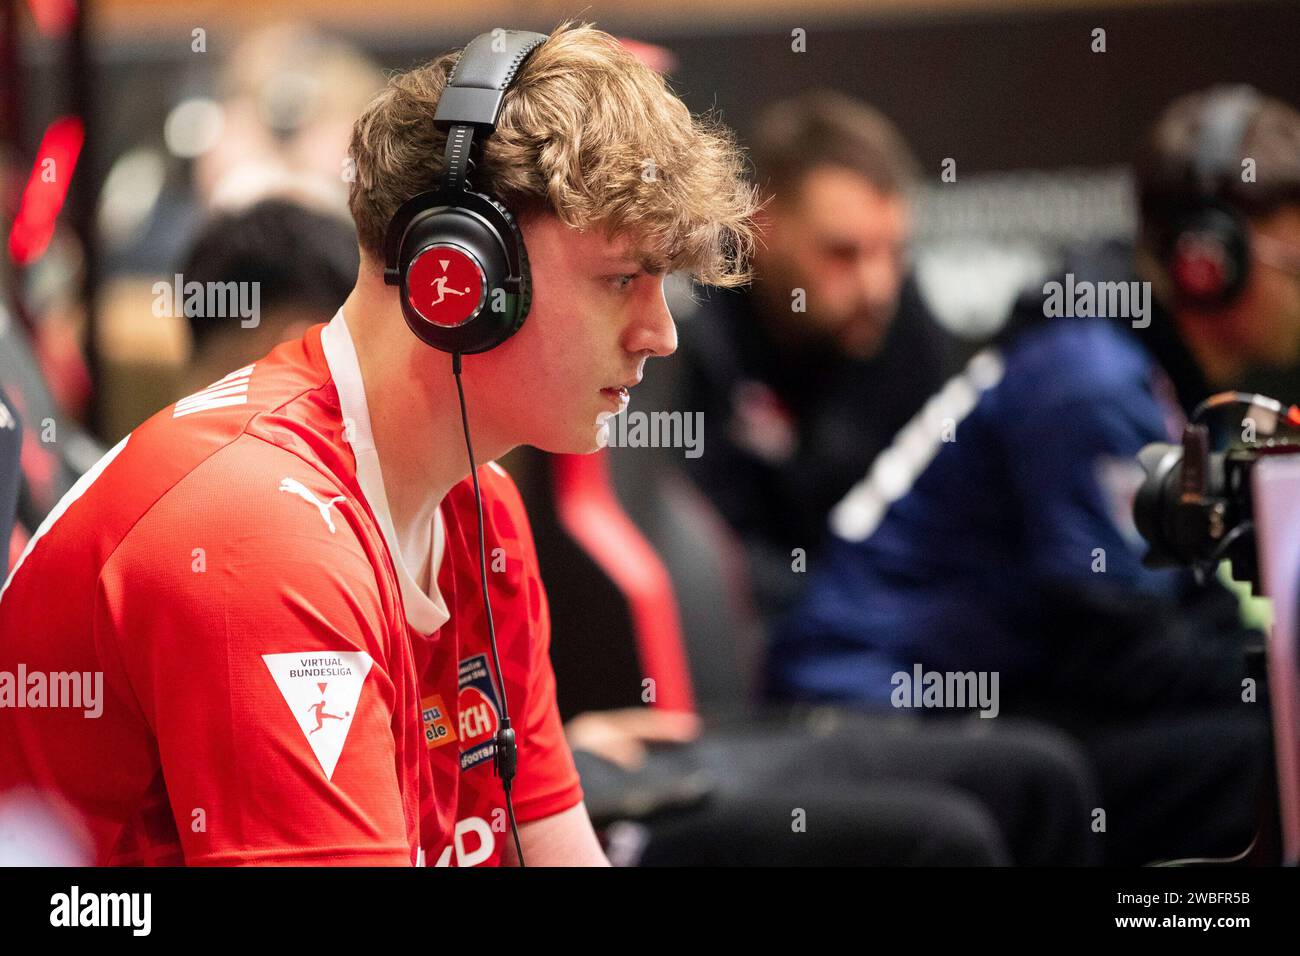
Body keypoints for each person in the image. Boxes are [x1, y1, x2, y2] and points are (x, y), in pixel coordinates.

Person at [0, 21, 758, 866]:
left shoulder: (481, 513)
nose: (661, 334)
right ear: (460, 276)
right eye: (622, 280)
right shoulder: (261, 538)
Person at [769, 85, 1300, 864]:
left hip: (994, 701)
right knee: (1266, 755)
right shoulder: (1088, 379)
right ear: (1203, 262)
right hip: (876, 709)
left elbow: (1170, 618)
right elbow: (1120, 649)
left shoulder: (1145, 368)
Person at [670, 89, 959, 621]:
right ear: (763, 227)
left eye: (892, 253)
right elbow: (704, 558)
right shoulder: (690, 333)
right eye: (842, 254)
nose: (877, 287)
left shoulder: (907, 325)